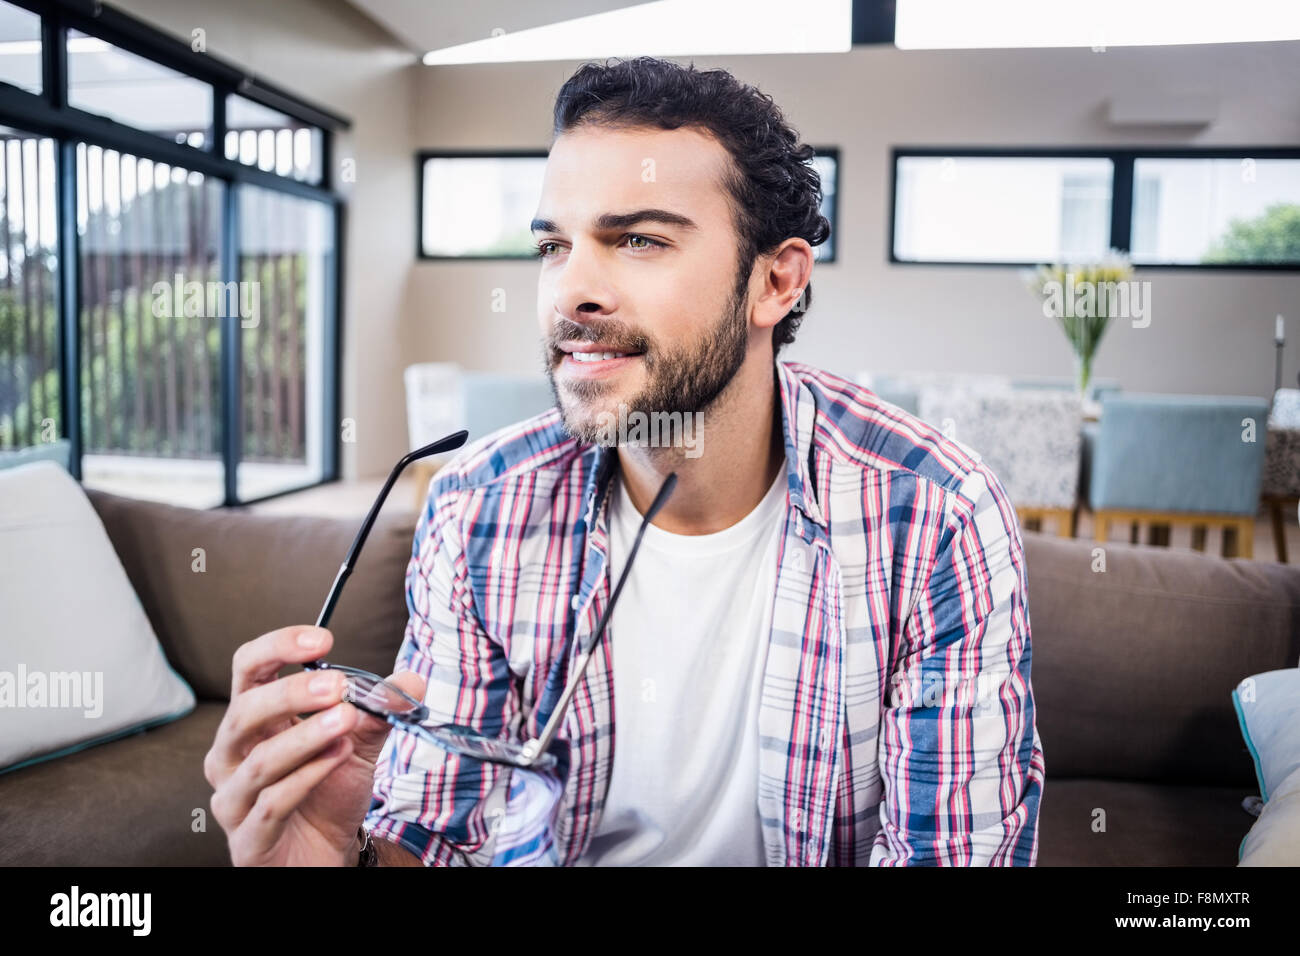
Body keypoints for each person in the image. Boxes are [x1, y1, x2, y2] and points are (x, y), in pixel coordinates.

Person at [205, 55, 1045, 867]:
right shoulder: (478, 507)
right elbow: (438, 836)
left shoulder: (935, 517)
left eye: (638, 239)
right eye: (553, 246)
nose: (572, 291)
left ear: (776, 282)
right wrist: (341, 858)